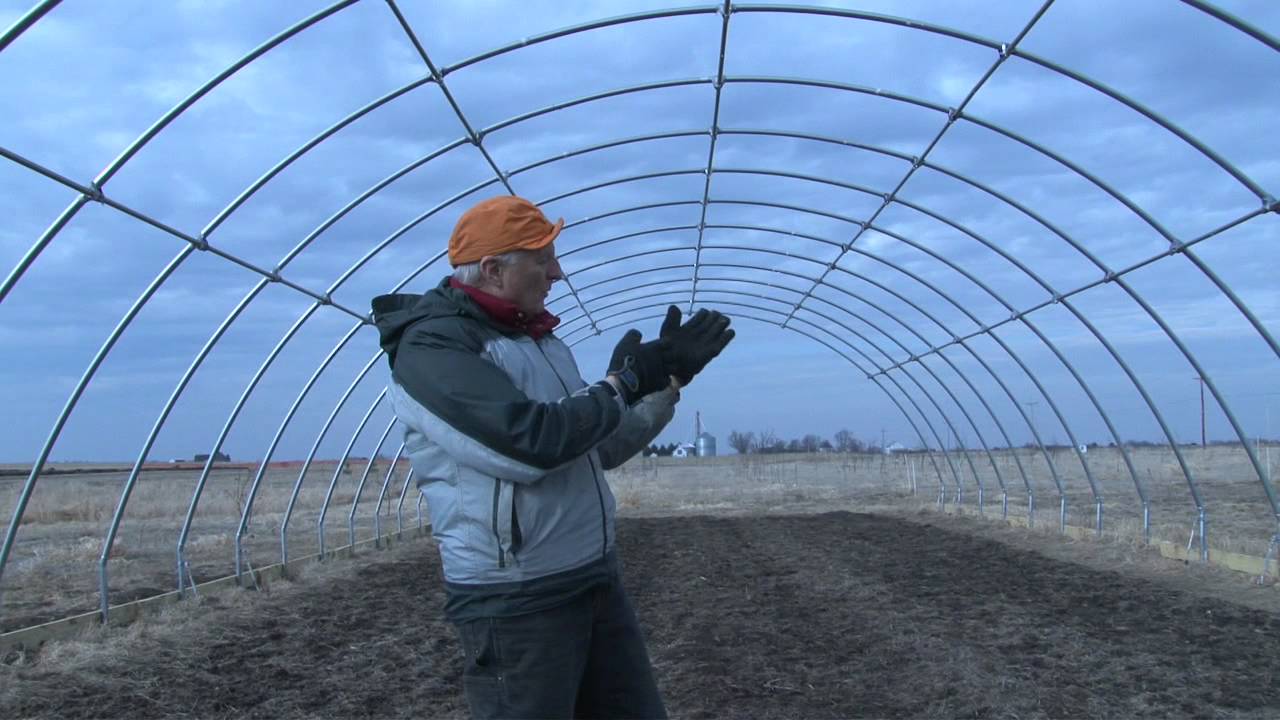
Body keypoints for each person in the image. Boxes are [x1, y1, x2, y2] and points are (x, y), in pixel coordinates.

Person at [371, 195, 734, 719]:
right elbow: (531, 444)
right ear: (493, 270)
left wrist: (662, 384)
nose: (557, 273)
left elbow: (595, 444)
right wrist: (623, 384)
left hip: (592, 573)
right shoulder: (435, 349)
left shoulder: (537, 339)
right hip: (518, 596)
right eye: (543, 261)